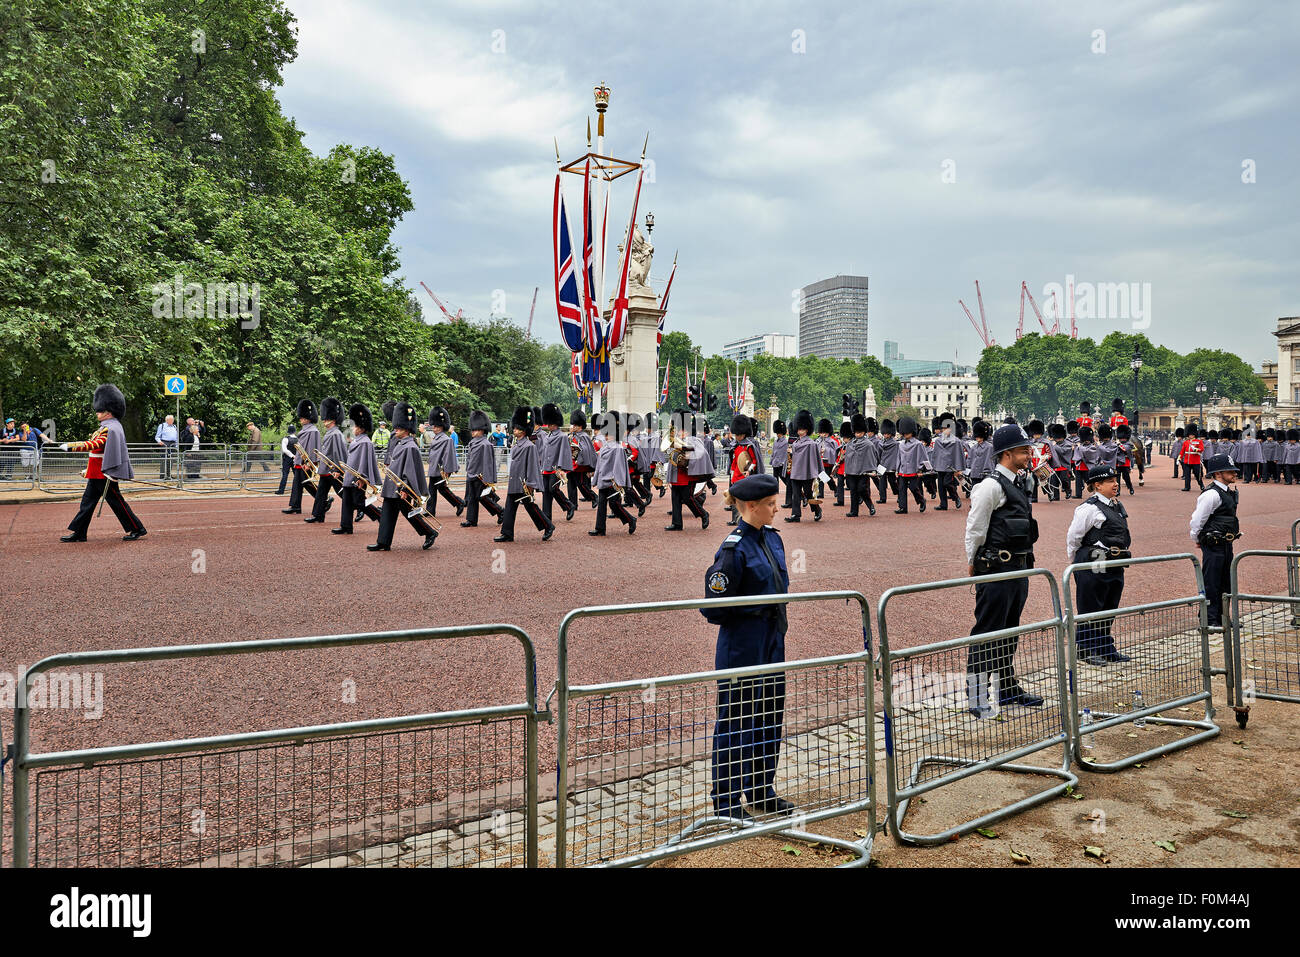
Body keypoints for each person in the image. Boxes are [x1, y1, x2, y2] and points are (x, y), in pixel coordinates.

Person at [700, 473, 792, 821]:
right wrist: (753, 611)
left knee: (769, 715)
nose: (777, 509)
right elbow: (714, 608)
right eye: (771, 504)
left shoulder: (773, 539)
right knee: (736, 721)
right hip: (742, 642)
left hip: (772, 639)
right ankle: (726, 803)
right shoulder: (733, 549)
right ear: (751, 506)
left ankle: (760, 790)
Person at [963, 423, 1043, 716]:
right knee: (986, 633)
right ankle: (976, 697)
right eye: (1023, 450)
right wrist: (972, 561)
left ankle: (1007, 690)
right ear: (1007, 453)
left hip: (1017, 569)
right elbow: (976, 527)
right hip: (995, 568)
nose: (1029, 454)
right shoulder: (990, 486)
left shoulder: (1019, 481)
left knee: (1010, 632)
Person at [59, 384, 147, 543]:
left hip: (105, 474)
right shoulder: (107, 427)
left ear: (108, 411)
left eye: (100, 410)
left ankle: (137, 528)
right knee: (87, 504)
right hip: (97, 473)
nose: (97, 413)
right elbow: (98, 454)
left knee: (117, 503)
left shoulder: (109, 429)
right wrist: (88, 470)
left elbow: (95, 445)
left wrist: (72, 447)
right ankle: (80, 533)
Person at [1066, 465, 1134, 664]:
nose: (1115, 484)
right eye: (1110, 481)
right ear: (1097, 485)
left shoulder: (1116, 505)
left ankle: (1105, 647)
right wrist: (1076, 562)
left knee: (1110, 603)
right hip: (1096, 557)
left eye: (1115, 480)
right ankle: (1086, 649)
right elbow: (1074, 537)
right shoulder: (1089, 508)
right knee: (1091, 603)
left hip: (1115, 559)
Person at [368, 401, 438, 551]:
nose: (395, 429)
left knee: (409, 513)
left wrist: (405, 488)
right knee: (387, 513)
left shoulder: (410, 446)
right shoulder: (401, 444)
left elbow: (410, 470)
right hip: (393, 485)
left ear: (406, 428)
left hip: (402, 487)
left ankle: (430, 532)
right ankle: (383, 542)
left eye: (398, 427)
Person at [1191, 453, 1241, 628]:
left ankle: (1223, 617)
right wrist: (1197, 538)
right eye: (1230, 471)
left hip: (1226, 543)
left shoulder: (1226, 492)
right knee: (1212, 582)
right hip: (1214, 543)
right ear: (1218, 473)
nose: (1234, 473)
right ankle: (1210, 619)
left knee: (1226, 581)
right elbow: (1197, 520)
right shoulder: (1211, 494)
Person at [495, 406, 555, 542]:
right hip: (515, 481)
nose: (514, 430)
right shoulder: (517, 445)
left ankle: (548, 526)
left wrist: (531, 484)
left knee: (531, 507)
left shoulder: (529, 446)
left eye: (516, 428)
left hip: (523, 483)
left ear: (523, 430)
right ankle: (507, 533)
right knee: (510, 507)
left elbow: (533, 466)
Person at [334, 403, 380, 535]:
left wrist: (362, 478)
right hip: (350, 477)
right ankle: (346, 526)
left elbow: (364, 462)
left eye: (354, 426)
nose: (352, 428)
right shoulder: (356, 441)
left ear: (361, 428)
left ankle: (380, 515)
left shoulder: (365, 442)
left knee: (359, 502)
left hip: (358, 478)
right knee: (347, 502)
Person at [589, 412, 637, 536]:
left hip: (613, 482)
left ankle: (630, 519)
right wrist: (595, 478)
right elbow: (599, 465)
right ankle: (600, 528)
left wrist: (618, 482)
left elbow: (619, 467)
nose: (605, 436)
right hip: (603, 480)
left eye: (608, 434)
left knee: (614, 504)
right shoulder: (605, 447)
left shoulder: (618, 448)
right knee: (601, 505)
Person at [307, 397, 346, 523]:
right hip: (326, 469)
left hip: (333, 470)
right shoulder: (330, 432)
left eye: (326, 418)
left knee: (344, 494)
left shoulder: (335, 434)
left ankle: (363, 508)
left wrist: (337, 470)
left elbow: (338, 453)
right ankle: (318, 515)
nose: (324, 420)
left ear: (333, 419)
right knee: (320, 494)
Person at [462, 409, 503, 527]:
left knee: (482, 497)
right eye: (472, 429)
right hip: (472, 474)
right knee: (472, 498)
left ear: (481, 430)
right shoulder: (472, 443)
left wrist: (488, 479)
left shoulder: (485, 444)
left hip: (480, 476)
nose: (472, 432)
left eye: (475, 429)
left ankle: (500, 511)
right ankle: (471, 519)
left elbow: (488, 463)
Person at [423, 406, 466, 517]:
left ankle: (459, 502)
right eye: (434, 426)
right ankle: (430, 510)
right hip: (434, 468)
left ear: (441, 427)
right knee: (431, 490)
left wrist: (447, 470)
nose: (434, 428)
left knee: (442, 489)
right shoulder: (436, 438)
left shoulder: (447, 440)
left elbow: (449, 456)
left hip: (442, 469)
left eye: (436, 426)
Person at [537, 403, 576, 523]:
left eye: (550, 424)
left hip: (555, 468)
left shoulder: (562, 436)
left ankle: (569, 505)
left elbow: (564, 453)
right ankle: (546, 518)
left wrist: (561, 468)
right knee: (546, 492)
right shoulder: (547, 436)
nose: (548, 425)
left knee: (553, 489)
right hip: (546, 467)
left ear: (555, 423)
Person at [725, 413, 765, 525]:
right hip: (736, 476)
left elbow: (754, 461)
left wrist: (749, 471)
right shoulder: (736, 446)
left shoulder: (749, 446)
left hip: (745, 476)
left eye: (738, 435)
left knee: (745, 499)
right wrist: (732, 472)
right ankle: (735, 519)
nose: (736, 437)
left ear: (743, 434)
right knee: (735, 498)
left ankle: (746, 519)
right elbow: (734, 461)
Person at [785, 409, 821, 523]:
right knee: (796, 495)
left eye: (803, 429)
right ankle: (795, 515)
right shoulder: (795, 443)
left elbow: (814, 460)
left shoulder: (811, 444)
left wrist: (815, 474)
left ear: (807, 430)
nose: (800, 432)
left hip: (806, 472)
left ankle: (817, 510)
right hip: (796, 472)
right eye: (799, 429)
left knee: (808, 494)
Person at [283, 399, 318, 515]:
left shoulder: (313, 431)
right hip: (300, 461)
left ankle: (324, 499)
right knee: (297, 485)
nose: (300, 419)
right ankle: (295, 506)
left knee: (306, 483)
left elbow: (312, 448)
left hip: (306, 463)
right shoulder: (306, 430)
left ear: (308, 418)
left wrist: (309, 463)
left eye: (302, 418)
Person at [843, 412, 878, 517]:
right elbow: (848, 458)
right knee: (853, 491)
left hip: (863, 471)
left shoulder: (868, 444)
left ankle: (870, 505)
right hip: (852, 471)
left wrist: (872, 470)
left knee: (861, 489)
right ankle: (854, 511)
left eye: (860, 432)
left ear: (864, 432)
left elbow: (872, 457)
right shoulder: (850, 444)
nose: (858, 434)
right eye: (856, 432)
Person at [893, 416, 929, 514]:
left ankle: (922, 500)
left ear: (912, 432)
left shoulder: (918, 444)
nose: (905, 434)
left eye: (907, 432)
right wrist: (897, 470)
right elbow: (899, 457)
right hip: (903, 470)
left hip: (914, 469)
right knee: (901, 489)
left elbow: (923, 458)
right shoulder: (901, 444)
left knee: (913, 488)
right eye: (904, 433)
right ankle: (903, 508)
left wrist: (921, 469)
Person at [566, 410, 599, 508]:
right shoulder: (572, 436)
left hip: (580, 464)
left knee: (582, 485)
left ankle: (594, 497)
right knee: (571, 485)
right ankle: (573, 504)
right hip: (571, 464)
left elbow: (586, 450)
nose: (573, 427)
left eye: (575, 425)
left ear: (580, 426)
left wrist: (579, 456)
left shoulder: (584, 436)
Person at [931, 414, 963, 510]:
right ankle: (943, 504)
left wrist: (958, 469)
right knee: (941, 486)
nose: (945, 430)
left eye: (947, 428)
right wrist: (933, 466)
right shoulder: (938, 441)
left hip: (950, 467)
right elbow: (935, 454)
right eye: (944, 428)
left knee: (947, 483)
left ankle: (956, 497)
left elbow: (958, 455)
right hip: (940, 466)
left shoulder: (956, 441)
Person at [771, 419, 791, 509]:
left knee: (786, 481)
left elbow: (785, 454)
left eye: (779, 433)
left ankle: (801, 496)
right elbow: (774, 452)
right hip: (775, 463)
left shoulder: (786, 442)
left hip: (782, 464)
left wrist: (783, 462)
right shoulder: (776, 441)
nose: (778, 434)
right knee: (775, 480)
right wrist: (772, 460)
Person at [1180, 424, 1205, 492]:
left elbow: (1202, 449)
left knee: (1197, 475)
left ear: (1194, 434)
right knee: (1187, 475)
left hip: (1195, 461)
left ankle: (1201, 485)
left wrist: (1196, 449)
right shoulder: (1186, 442)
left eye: (1192, 434)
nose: (1190, 436)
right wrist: (1179, 457)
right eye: (1189, 435)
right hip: (1186, 461)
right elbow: (1182, 451)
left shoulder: (1199, 441)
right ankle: (1187, 487)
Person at [154, 414, 179, 478]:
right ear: (167, 420)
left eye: (173, 420)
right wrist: (159, 441)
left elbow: (176, 437)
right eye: (171, 420)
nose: (172, 421)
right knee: (164, 459)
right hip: (165, 443)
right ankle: (162, 475)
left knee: (171, 460)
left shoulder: (174, 426)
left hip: (173, 444)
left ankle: (168, 475)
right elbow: (157, 436)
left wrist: (176, 445)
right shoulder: (162, 426)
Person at [277, 423, 297, 494]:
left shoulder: (285, 439)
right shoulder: (298, 439)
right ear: (294, 431)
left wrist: (291, 456)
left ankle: (281, 490)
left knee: (285, 475)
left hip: (287, 459)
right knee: (296, 475)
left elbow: (284, 450)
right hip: (296, 459)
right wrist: (294, 456)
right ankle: (297, 490)